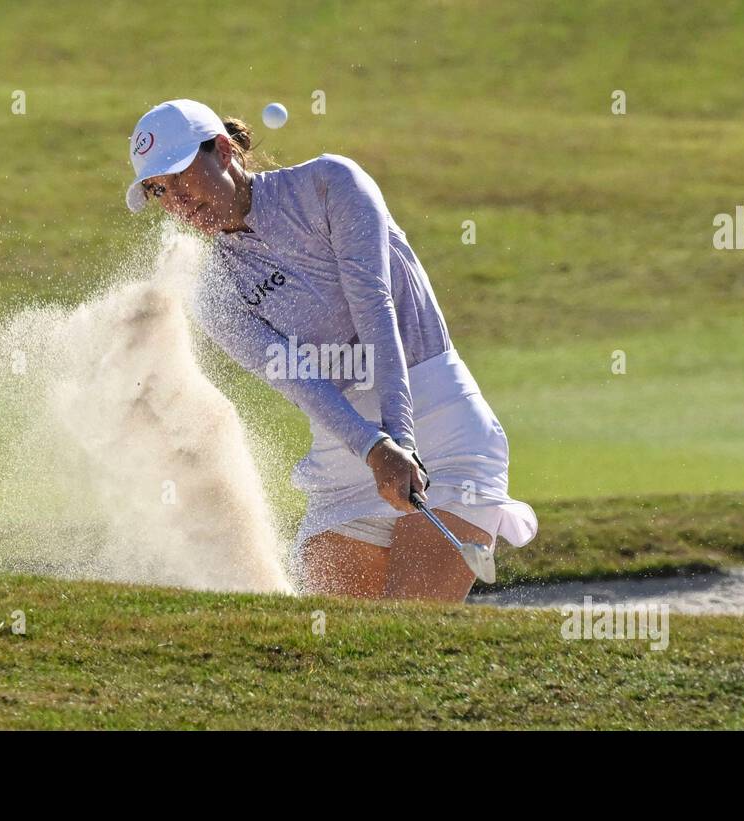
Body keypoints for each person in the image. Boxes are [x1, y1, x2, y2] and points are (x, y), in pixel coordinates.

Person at [124, 99, 537, 602]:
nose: (178, 201)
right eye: (159, 191)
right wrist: (372, 448)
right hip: (345, 455)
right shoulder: (213, 291)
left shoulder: (329, 184)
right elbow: (298, 380)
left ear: (224, 150)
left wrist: (399, 442)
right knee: (334, 651)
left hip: (438, 423)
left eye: (182, 177)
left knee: (409, 636)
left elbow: (374, 307)